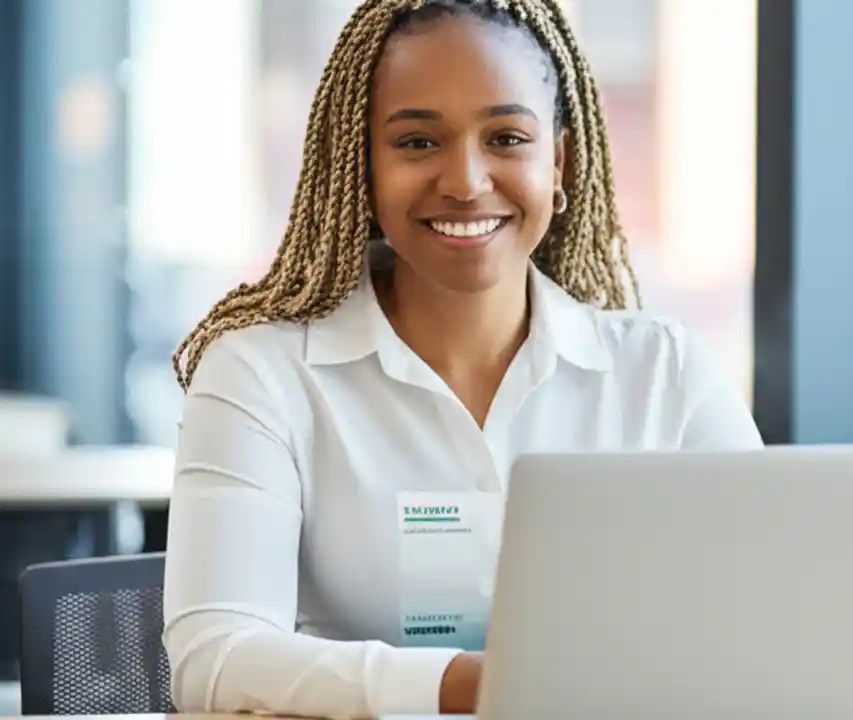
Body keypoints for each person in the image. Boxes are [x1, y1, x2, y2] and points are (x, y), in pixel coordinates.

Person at [161, 0, 761, 716]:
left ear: (559, 161)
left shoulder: (665, 374)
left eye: (506, 137)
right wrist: (488, 686)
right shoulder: (260, 375)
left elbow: (767, 618)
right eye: (417, 143)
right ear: (364, 164)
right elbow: (215, 661)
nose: (466, 181)